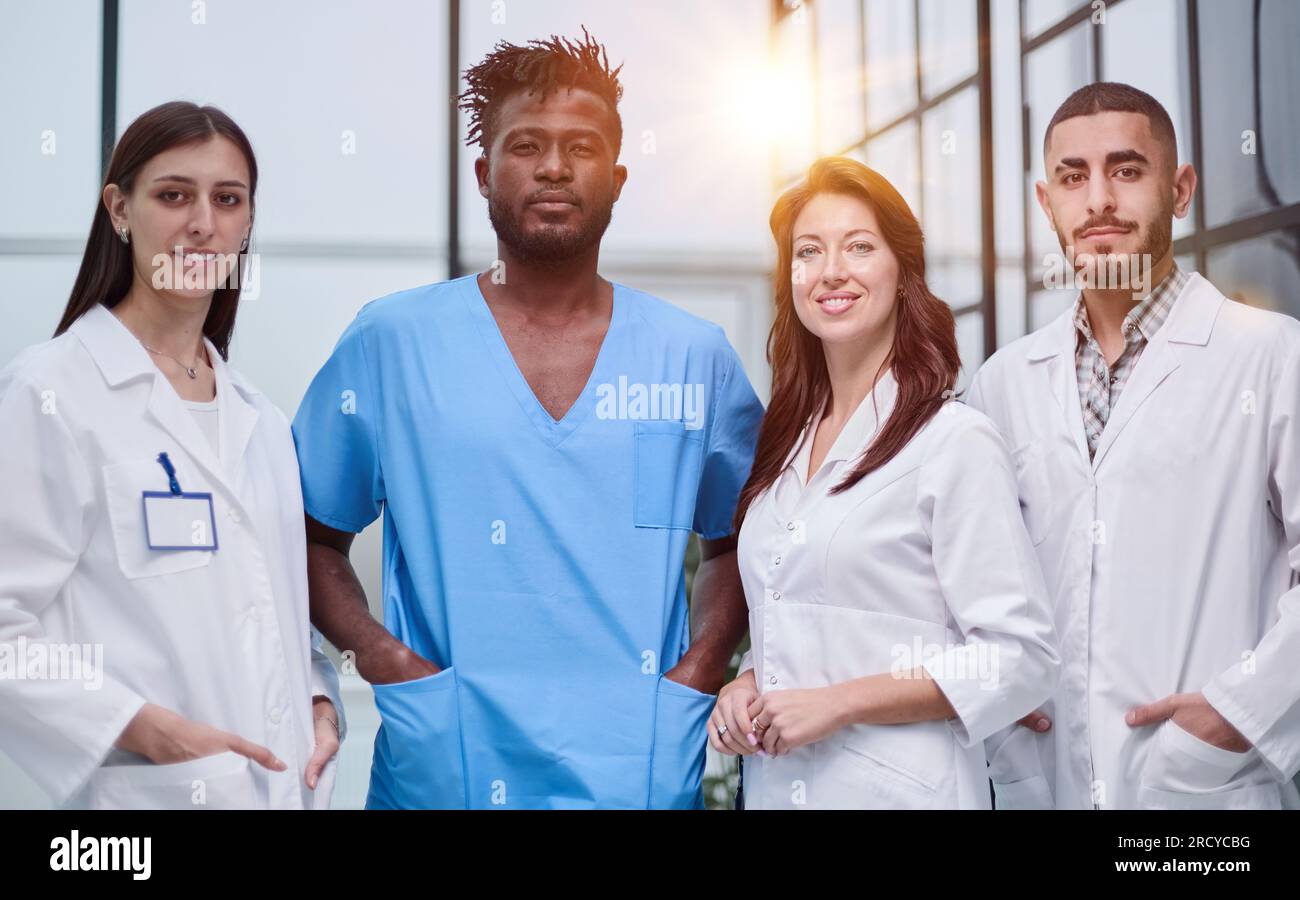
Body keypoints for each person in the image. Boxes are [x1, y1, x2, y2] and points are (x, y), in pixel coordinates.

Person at [293, 29, 764, 809]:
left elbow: (745, 539)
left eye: (579, 147)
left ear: (616, 177)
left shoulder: (693, 358)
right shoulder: (393, 343)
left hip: (636, 770)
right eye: (525, 146)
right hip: (449, 769)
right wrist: (382, 660)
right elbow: (310, 534)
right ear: (484, 173)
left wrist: (700, 669)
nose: (552, 167)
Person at [0, 101, 344, 809]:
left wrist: (319, 699)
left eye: (227, 199)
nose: (202, 223)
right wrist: (150, 731)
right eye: (173, 195)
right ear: (119, 210)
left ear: (247, 223)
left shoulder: (260, 420)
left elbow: (274, 607)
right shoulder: (51, 392)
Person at [968, 82, 1300, 809]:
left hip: (1201, 795)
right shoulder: (1003, 383)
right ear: (1044, 201)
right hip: (1042, 778)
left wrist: (1234, 717)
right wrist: (995, 702)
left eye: (1126, 170)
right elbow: (968, 580)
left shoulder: (1272, 356)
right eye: (1072, 177)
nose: (1098, 202)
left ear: (1179, 189)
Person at [709, 157, 1060, 809]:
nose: (831, 270)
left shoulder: (952, 442)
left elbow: (1020, 657)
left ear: (903, 275)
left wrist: (840, 704)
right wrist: (752, 681)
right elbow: (821, 618)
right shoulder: (787, 442)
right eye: (808, 251)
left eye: (859, 247)